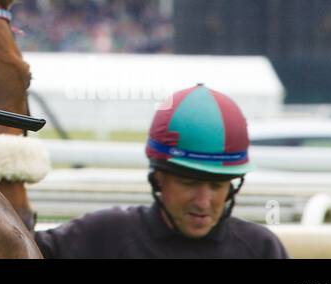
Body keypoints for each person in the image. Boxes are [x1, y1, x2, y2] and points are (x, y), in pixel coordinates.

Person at [34, 84, 288, 258]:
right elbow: (11, 245)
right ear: (158, 180)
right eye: (189, 183)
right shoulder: (104, 234)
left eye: (217, 186)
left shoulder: (262, 248)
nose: (203, 202)